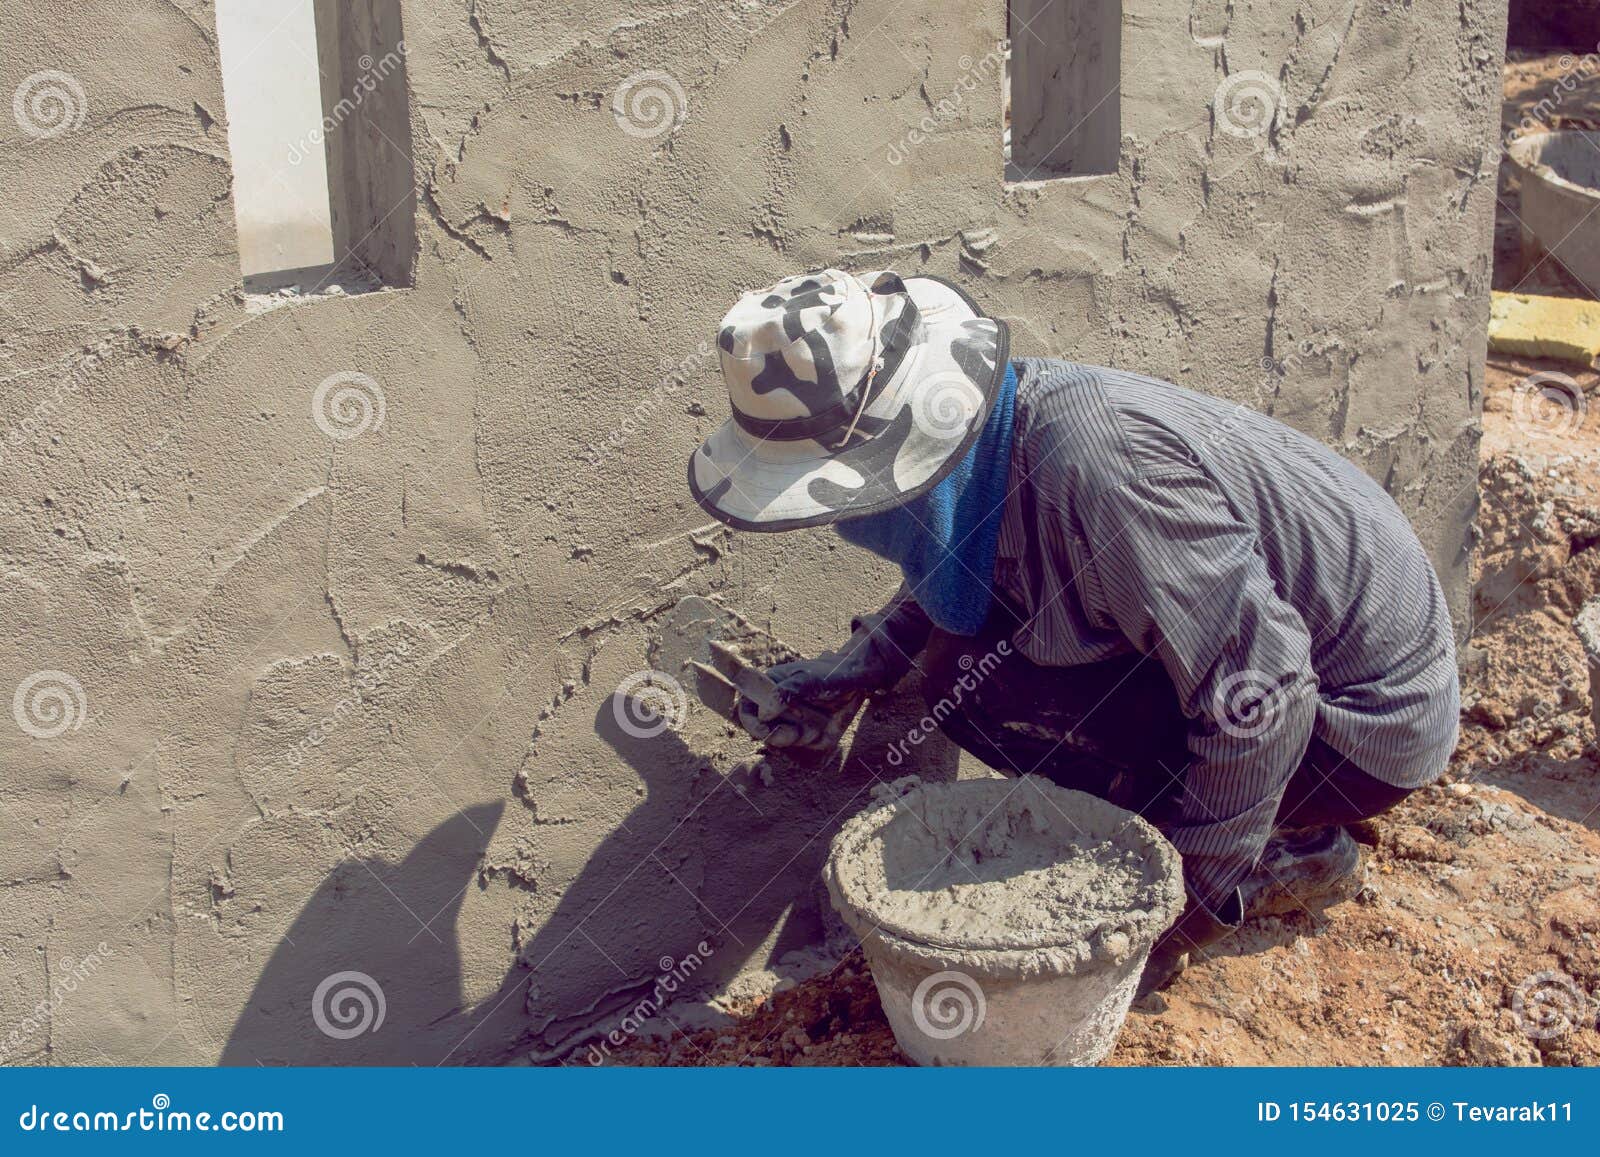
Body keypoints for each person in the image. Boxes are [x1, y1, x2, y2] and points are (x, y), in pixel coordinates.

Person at [686, 268, 1459, 993]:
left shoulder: (1103, 474)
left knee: (980, 689)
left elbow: (1267, 690)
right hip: (1283, 657)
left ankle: (1277, 847)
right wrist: (866, 658)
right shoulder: (990, 438)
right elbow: (962, 549)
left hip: (1357, 725)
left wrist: (1173, 919)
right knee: (963, 670)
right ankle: (1222, 825)